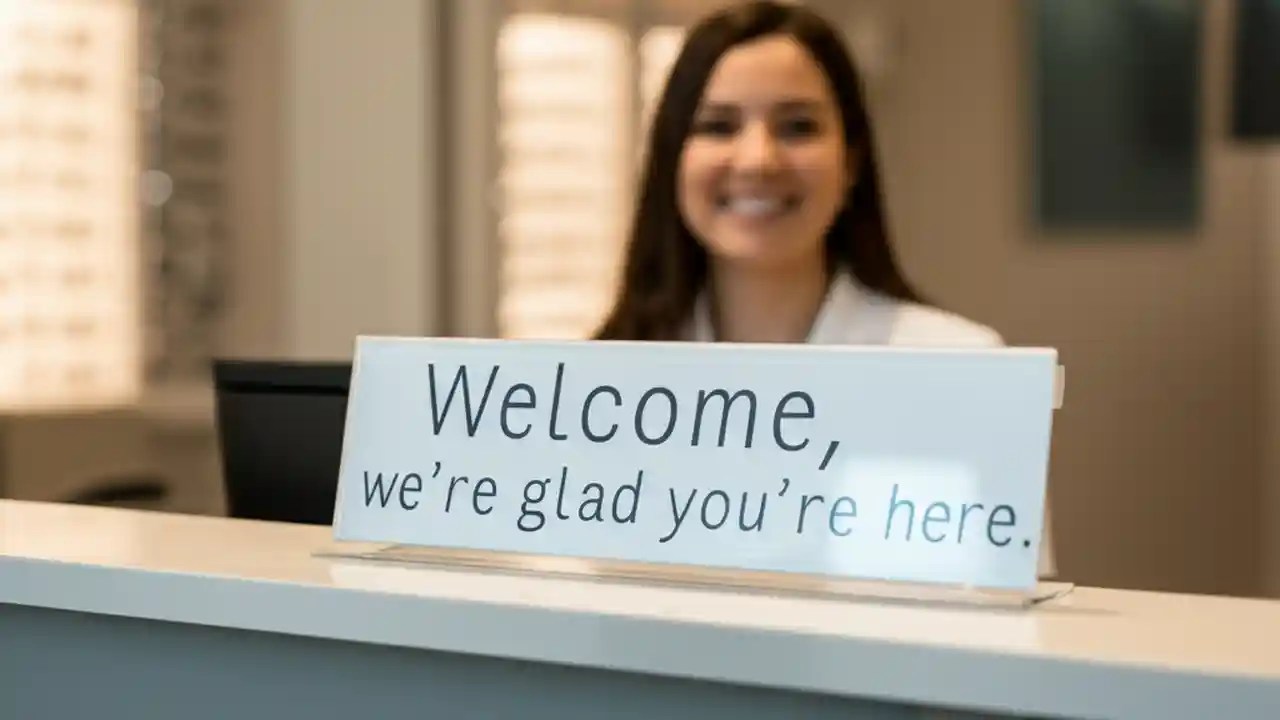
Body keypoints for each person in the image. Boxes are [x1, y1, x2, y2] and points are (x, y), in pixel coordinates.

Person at [595, 0, 1055, 577]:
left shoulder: (965, 370)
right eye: (718, 125)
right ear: (671, 161)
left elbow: (1015, 616)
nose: (757, 159)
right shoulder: (601, 389)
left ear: (852, 161)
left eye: (798, 126)